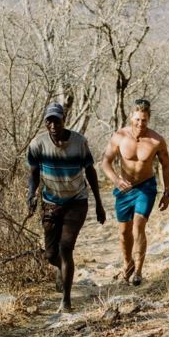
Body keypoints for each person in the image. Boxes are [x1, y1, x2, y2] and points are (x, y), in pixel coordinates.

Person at [27, 101, 106, 313]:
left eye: (57, 120)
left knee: (66, 247)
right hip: (51, 202)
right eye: (49, 120)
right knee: (51, 255)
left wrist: (99, 204)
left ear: (64, 120)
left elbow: (90, 172)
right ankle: (62, 270)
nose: (53, 125)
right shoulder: (38, 144)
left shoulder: (79, 142)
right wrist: (31, 195)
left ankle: (66, 300)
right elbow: (34, 174)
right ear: (45, 123)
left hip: (76, 201)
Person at [101, 98, 169, 286]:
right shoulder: (119, 136)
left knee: (138, 225)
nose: (140, 124)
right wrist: (116, 180)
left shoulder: (156, 140)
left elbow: (166, 166)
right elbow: (105, 162)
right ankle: (128, 263)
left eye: (144, 120)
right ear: (131, 117)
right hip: (124, 189)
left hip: (146, 187)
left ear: (149, 119)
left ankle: (138, 272)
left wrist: (167, 192)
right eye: (137, 119)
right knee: (124, 232)